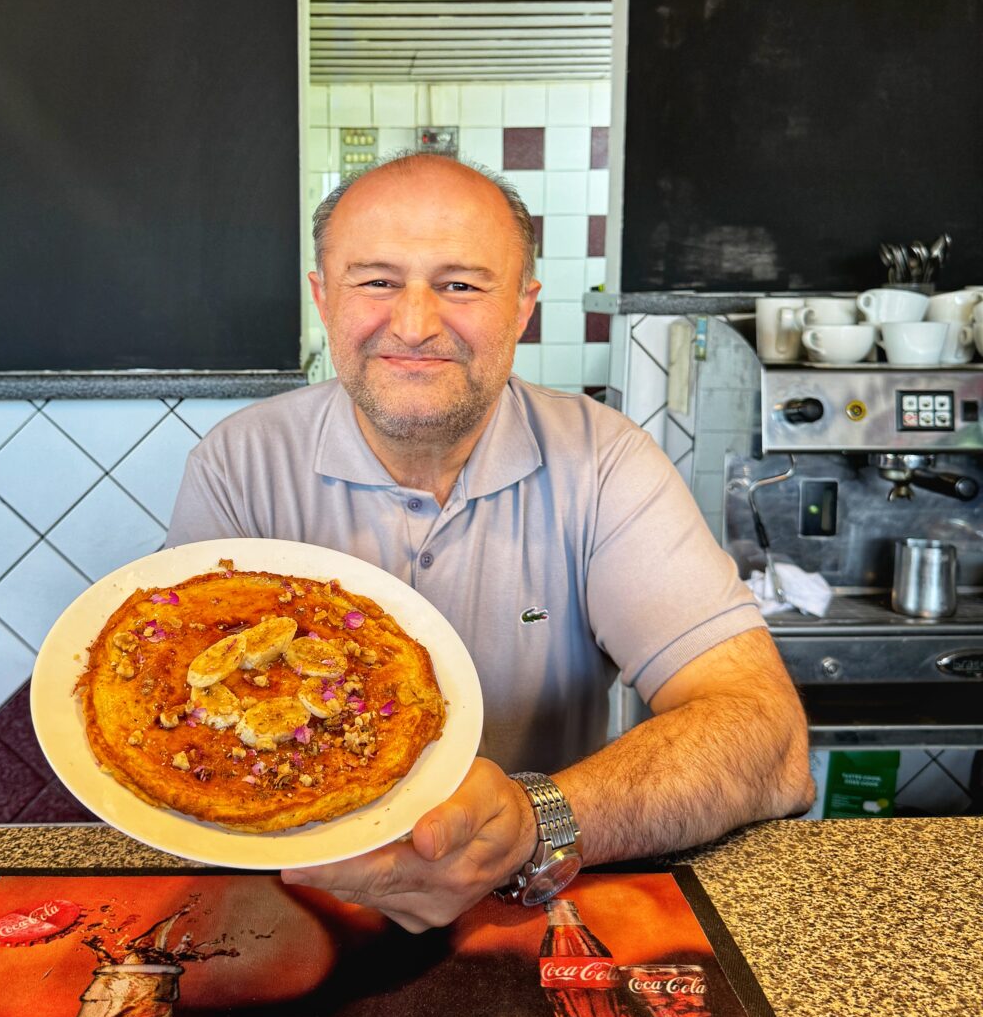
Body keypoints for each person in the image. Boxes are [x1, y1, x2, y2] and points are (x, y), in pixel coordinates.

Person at [166, 151, 814, 931]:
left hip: (539, 908)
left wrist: (535, 821)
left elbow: (769, 741)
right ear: (323, 298)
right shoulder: (242, 462)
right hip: (288, 914)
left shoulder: (605, 461)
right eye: (375, 280)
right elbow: (177, 714)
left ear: (521, 307)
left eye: (461, 284)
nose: (414, 323)